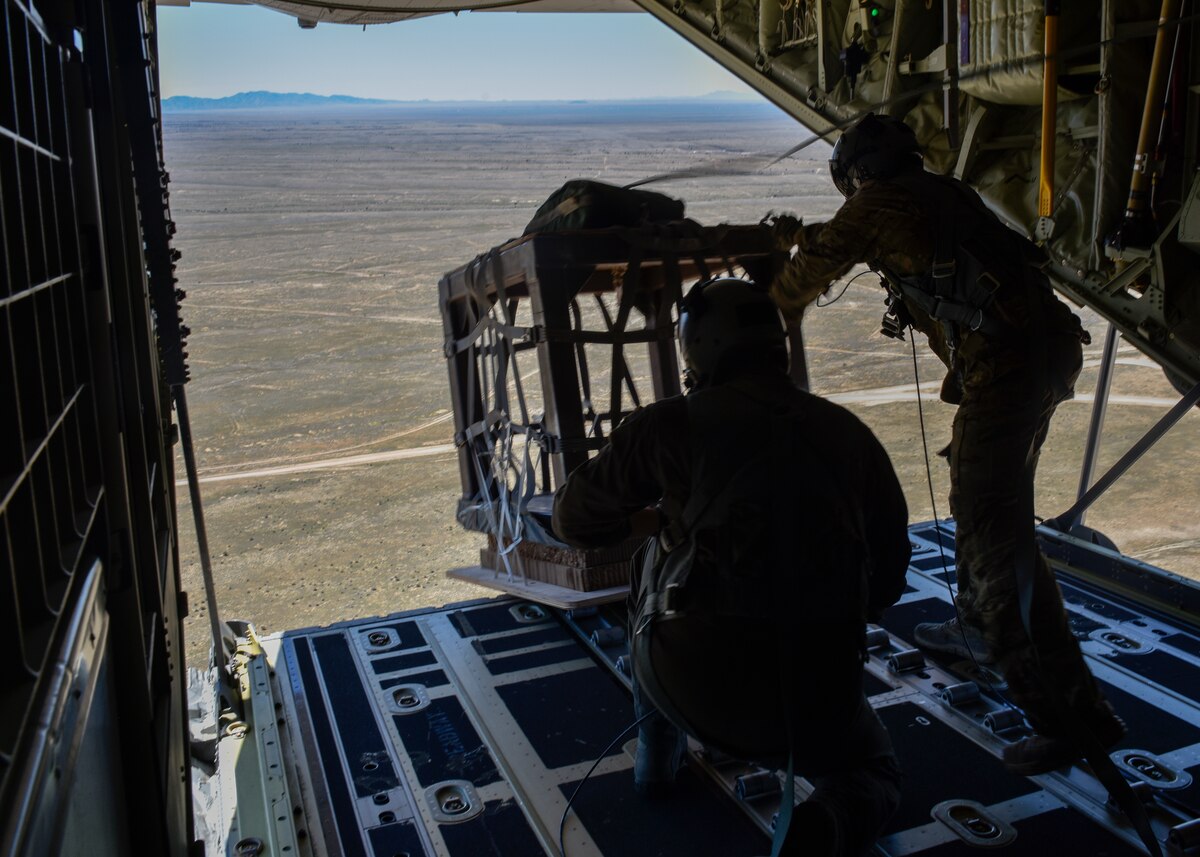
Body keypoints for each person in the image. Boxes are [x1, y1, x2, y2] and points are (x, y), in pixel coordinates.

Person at [766, 112, 1124, 775]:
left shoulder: (877, 204)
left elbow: (797, 284)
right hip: (1039, 360)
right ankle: (979, 627)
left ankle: (1069, 717)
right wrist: (802, 234)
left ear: (855, 175)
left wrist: (763, 286)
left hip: (1007, 372)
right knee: (986, 501)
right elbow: (870, 237)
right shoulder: (939, 192)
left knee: (997, 542)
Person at [552, 277, 910, 857]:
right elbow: (888, 581)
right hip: (810, 701)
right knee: (875, 771)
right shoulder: (852, 437)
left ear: (698, 351)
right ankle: (825, 824)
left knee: (654, 562)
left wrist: (659, 524)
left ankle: (657, 755)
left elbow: (573, 521)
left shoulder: (671, 425)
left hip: (691, 684)